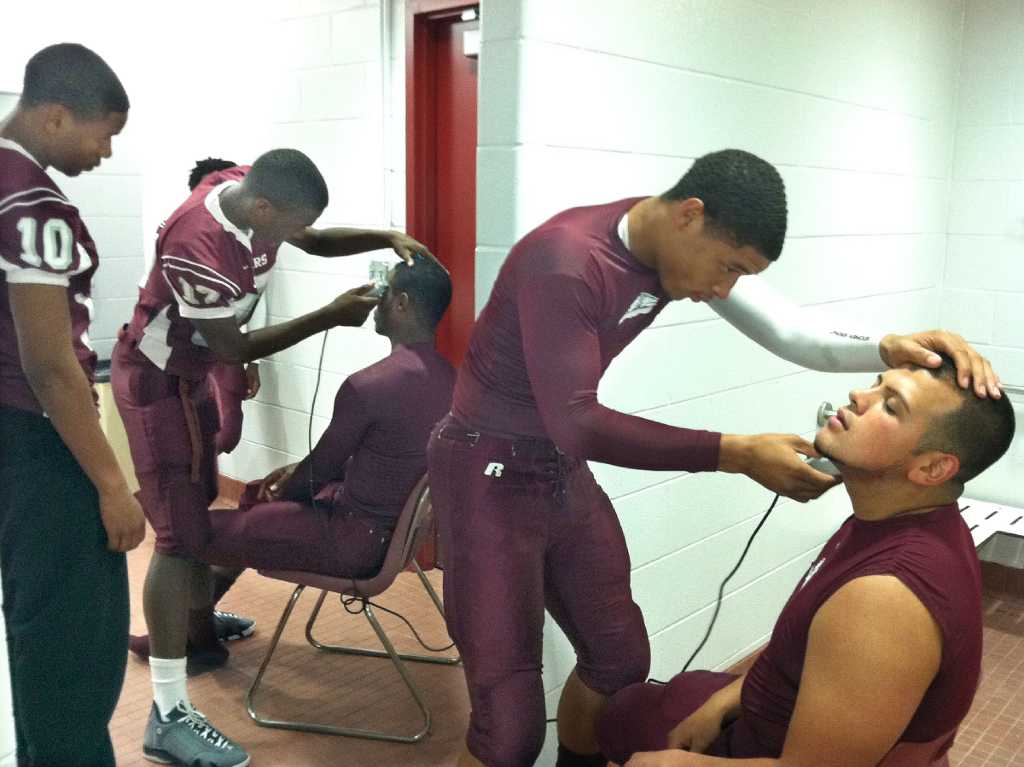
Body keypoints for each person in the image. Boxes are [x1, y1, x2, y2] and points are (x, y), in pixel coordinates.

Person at [426, 148, 1002, 767]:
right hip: (485, 470)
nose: (723, 291)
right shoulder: (567, 261)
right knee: (508, 727)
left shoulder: (674, 253)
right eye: (728, 268)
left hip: (557, 471)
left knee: (619, 659)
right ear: (689, 216)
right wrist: (737, 453)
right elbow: (576, 423)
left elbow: (789, 333)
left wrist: (886, 346)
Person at [111, 148, 432, 766]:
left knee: (199, 508)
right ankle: (167, 713)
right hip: (155, 381)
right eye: (287, 228)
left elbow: (310, 238)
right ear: (262, 208)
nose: (292, 242)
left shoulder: (243, 189)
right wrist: (328, 316)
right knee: (178, 538)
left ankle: (196, 633)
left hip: (192, 374)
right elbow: (231, 346)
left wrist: (385, 234)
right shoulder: (194, 244)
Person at [598, 355, 1015, 767]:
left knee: (622, 715)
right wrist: (727, 699)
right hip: (765, 717)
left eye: (891, 406)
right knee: (631, 708)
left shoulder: (884, 600)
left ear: (932, 467)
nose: (858, 395)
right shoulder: (904, 519)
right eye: (876, 383)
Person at [132, 254, 453, 633]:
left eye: (384, 292)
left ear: (401, 303)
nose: (376, 300)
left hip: (349, 541)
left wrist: (283, 492)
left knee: (194, 530)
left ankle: (179, 641)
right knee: (255, 505)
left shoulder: (369, 385)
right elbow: (390, 457)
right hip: (392, 542)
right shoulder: (452, 380)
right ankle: (198, 628)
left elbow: (316, 475)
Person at [0, 44, 146, 767]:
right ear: (55, 115)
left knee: (35, 634)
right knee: (73, 652)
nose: (106, 152)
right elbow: (49, 363)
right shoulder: (34, 203)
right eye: (103, 133)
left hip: (13, 439)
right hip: (41, 437)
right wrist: (112, 484)